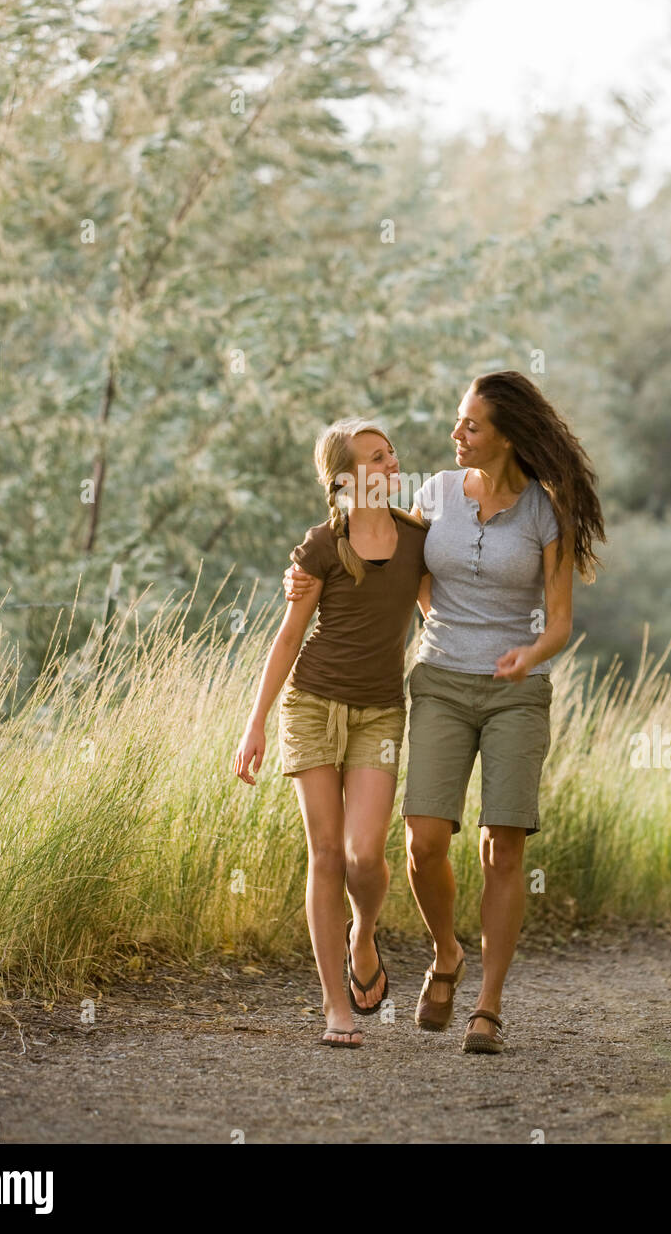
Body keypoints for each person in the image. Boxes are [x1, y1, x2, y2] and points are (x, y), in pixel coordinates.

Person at [285, 372, 605, 1053]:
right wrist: (307, 570)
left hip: (518, 690)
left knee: (502, 845)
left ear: (506, 436)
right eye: (459, 422)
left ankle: (487, 1007)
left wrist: (527, 655)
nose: (456, 435)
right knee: (423, 840)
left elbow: (559, 622)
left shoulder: (546, 512)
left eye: (471, 426)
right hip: (440, 681)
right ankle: (446, 952)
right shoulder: (433, 495)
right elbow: (384, 552)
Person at [234, 418, 429, 1048]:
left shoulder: (417, 540)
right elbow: (290, 636)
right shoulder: (321, 546)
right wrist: (254, 721)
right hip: (311, 705)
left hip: (379, 712)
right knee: (324, 855)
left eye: (391, 453)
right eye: (377, 457)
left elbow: (438, 615)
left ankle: (362, 934)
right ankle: (335, 1008)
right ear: (345, 478)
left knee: (364, 855)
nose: (391, 463)